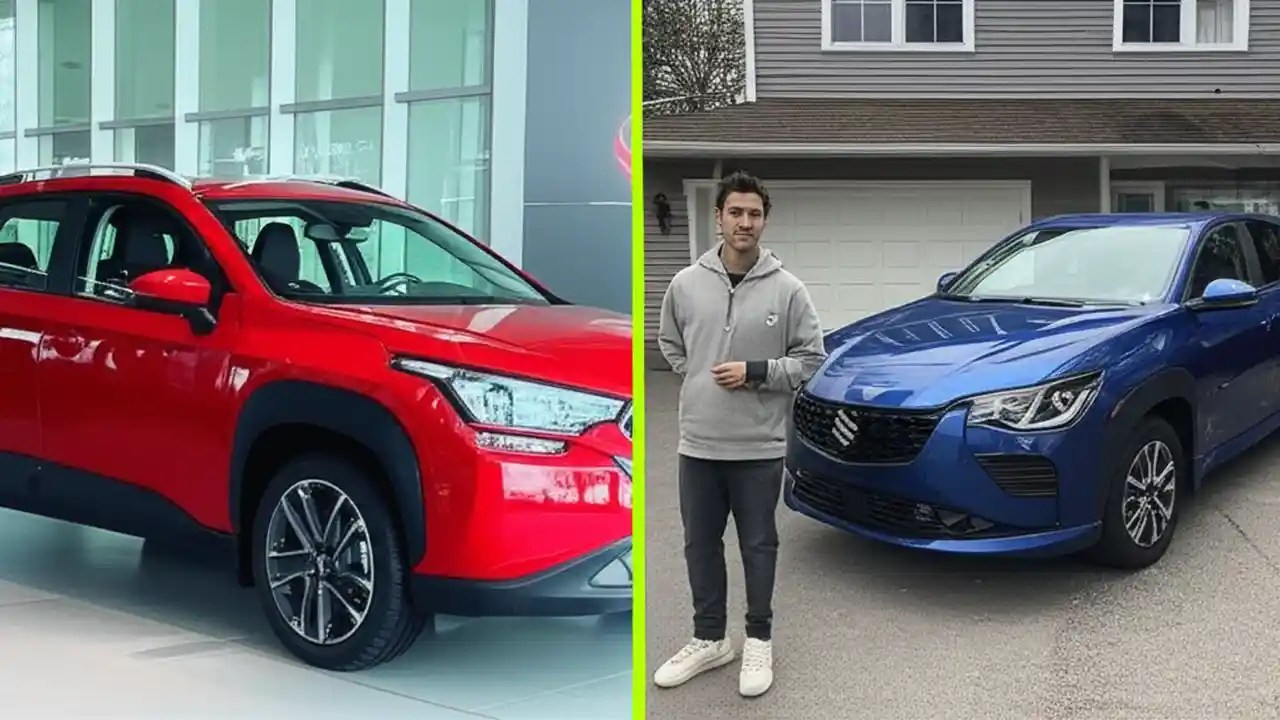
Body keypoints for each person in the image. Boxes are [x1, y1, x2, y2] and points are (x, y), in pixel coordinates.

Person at [653, 170, 826, 698]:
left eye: (754, 214)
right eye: (736, 212)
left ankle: (757, 638)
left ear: (764, 220)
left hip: (758, 446)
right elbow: (671, 345)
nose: (745, 222)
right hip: (698, 443)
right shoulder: (685, 284)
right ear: (719, 217)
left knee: (758, 546)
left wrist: (756, 372)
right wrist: (702, 375)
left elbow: (811, 359)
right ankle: (710, 639)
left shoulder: (788, 289)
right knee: (699, 545)